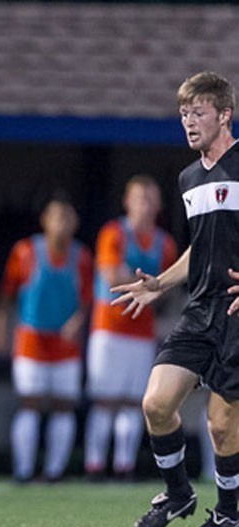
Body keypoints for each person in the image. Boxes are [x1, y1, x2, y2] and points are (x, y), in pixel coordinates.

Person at [117, 71, 239, 527]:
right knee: (156, 403)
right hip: (199, 310)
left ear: (224, 115)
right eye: (183, 114)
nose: (188, 122)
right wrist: (161, 283)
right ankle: (179, 493)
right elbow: (201, 249)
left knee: (221, 427)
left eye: (198, 113)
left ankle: (229, 513)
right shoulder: (189, 178)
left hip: (235, 314)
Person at [0, 192, 93, 483]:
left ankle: (53, 471)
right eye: (56, 217)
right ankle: (23, 470)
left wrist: (77, 323)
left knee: (63, 405)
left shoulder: (82, 257)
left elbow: (87, 300)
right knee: (30, 403)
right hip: (31, 341)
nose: (61, 224)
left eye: (67, 218)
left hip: (65, 344)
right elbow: (6, 295)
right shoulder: (24, 251)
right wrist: (0, 331)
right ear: (45, 221)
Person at [83, 176, 178, 482]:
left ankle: (125, 465)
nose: (145, 206)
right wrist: (149, 288)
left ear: (159, 205)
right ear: (127, 201)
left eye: (151, 199)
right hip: (109, 329)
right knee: (104, 399)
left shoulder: (166, 243)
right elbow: (112, 275)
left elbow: (168, 287)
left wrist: (157, 290)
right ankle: (95, 464)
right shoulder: (114, 233)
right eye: (139, 198)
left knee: (133, 400)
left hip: (141, 333)